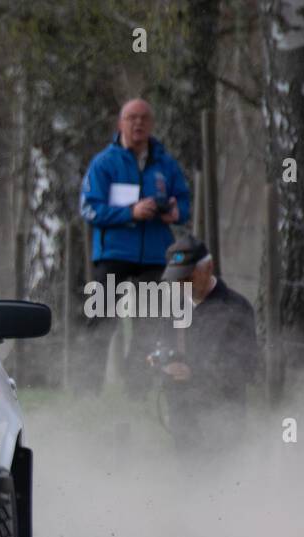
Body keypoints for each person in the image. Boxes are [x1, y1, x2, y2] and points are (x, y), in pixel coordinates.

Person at [80, 98, 191, 393]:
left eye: (143, 118)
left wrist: (176, 211)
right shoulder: (104, 163)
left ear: (151, 124)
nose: (137, 123)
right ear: (120, 124)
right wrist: (130, 212)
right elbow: (90, 209)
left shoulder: (166, 164)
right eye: (131, 118)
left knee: (148, 323)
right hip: (114, 253)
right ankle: (87, 391)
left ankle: (137, 389)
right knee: (101, 320)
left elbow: (185, 200)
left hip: (155, 255)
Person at [149, 235, 259, 454]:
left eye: (187, 278)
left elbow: (245, 367)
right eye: (175, 279)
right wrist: (159, 360)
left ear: (208, 268)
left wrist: (194, 372)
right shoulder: (173, 308)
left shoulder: (236, 308)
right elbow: (164, 345)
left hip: (224, 418)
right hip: (182, 416)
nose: (180, 285)